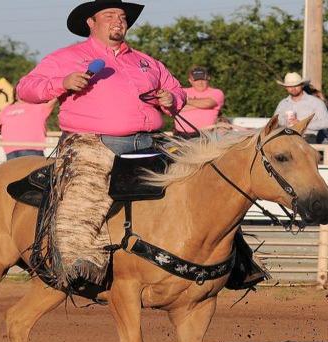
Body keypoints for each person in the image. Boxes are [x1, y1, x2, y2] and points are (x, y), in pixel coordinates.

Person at [15, 0, 188, 287]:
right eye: (109, 15)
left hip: (148, 141)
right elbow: (26, 88)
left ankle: (229, 260)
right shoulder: (68, 57)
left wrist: (173, 99)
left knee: (200, 174)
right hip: (92, 142)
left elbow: (175, 88)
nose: (118, 21)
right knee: (87, 188)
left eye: (122, 16)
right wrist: (62, 82)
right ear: (91, 23)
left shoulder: (146, 61)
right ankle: (79, 263)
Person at [271, 72, 328, 145]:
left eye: (296, 85)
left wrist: (302, 124)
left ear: (302, 85)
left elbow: (327, 123)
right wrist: (285, 123)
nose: (293, 88)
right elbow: (275, 123)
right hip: (286, 138)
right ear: (286, 88)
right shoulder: (283, 104)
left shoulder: (316, 102)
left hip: (309, 138)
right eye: (290, 86)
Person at [173, 66, 225, 139]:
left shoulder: (217, 92)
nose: (200, 83)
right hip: (181, 136)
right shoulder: (182, 92)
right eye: (196, 80)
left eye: (203, 79)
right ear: (190, 80)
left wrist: (185, 101)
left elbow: (208, 103)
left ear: (208, 78)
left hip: (207, 136)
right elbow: (173, 108)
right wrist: (200, 104)